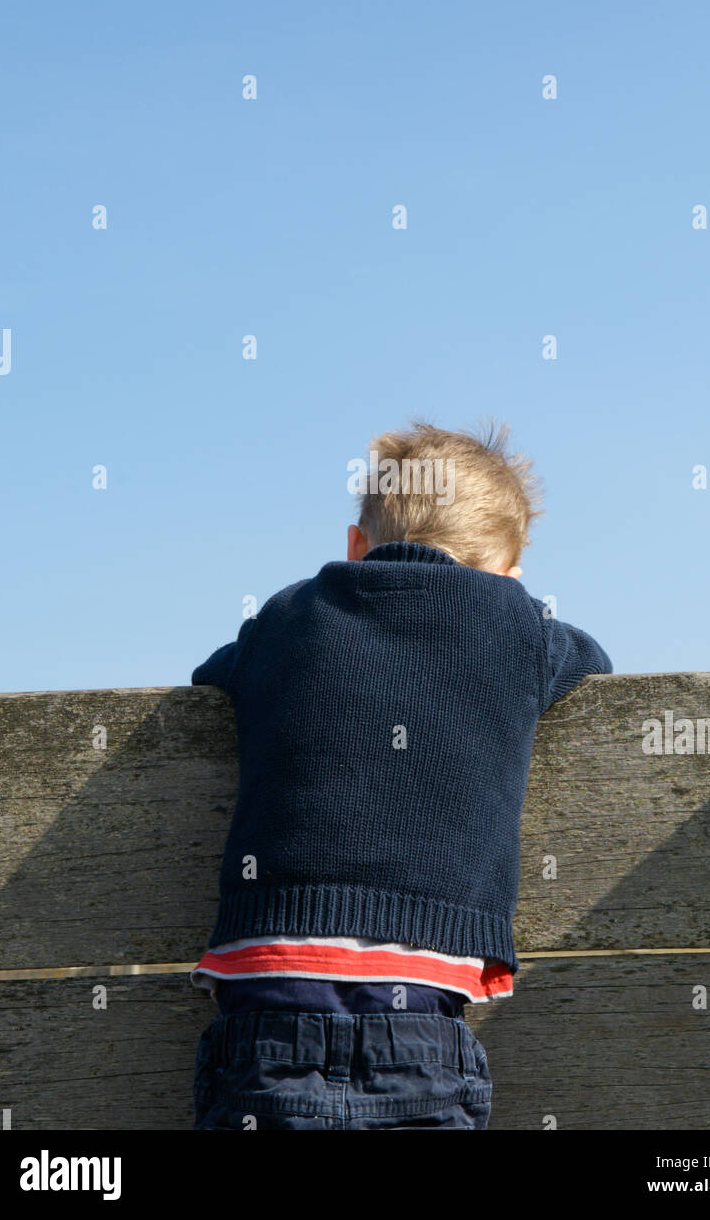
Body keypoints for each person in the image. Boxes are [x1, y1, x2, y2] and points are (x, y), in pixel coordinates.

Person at [191, 420, 612, 1129]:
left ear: (355, 548)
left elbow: (215, 678)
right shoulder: (516, 623)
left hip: (264, 1013)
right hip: (419, 1022)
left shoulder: (289, 613)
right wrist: (513, 605)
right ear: (508, 574)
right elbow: (592, 662)